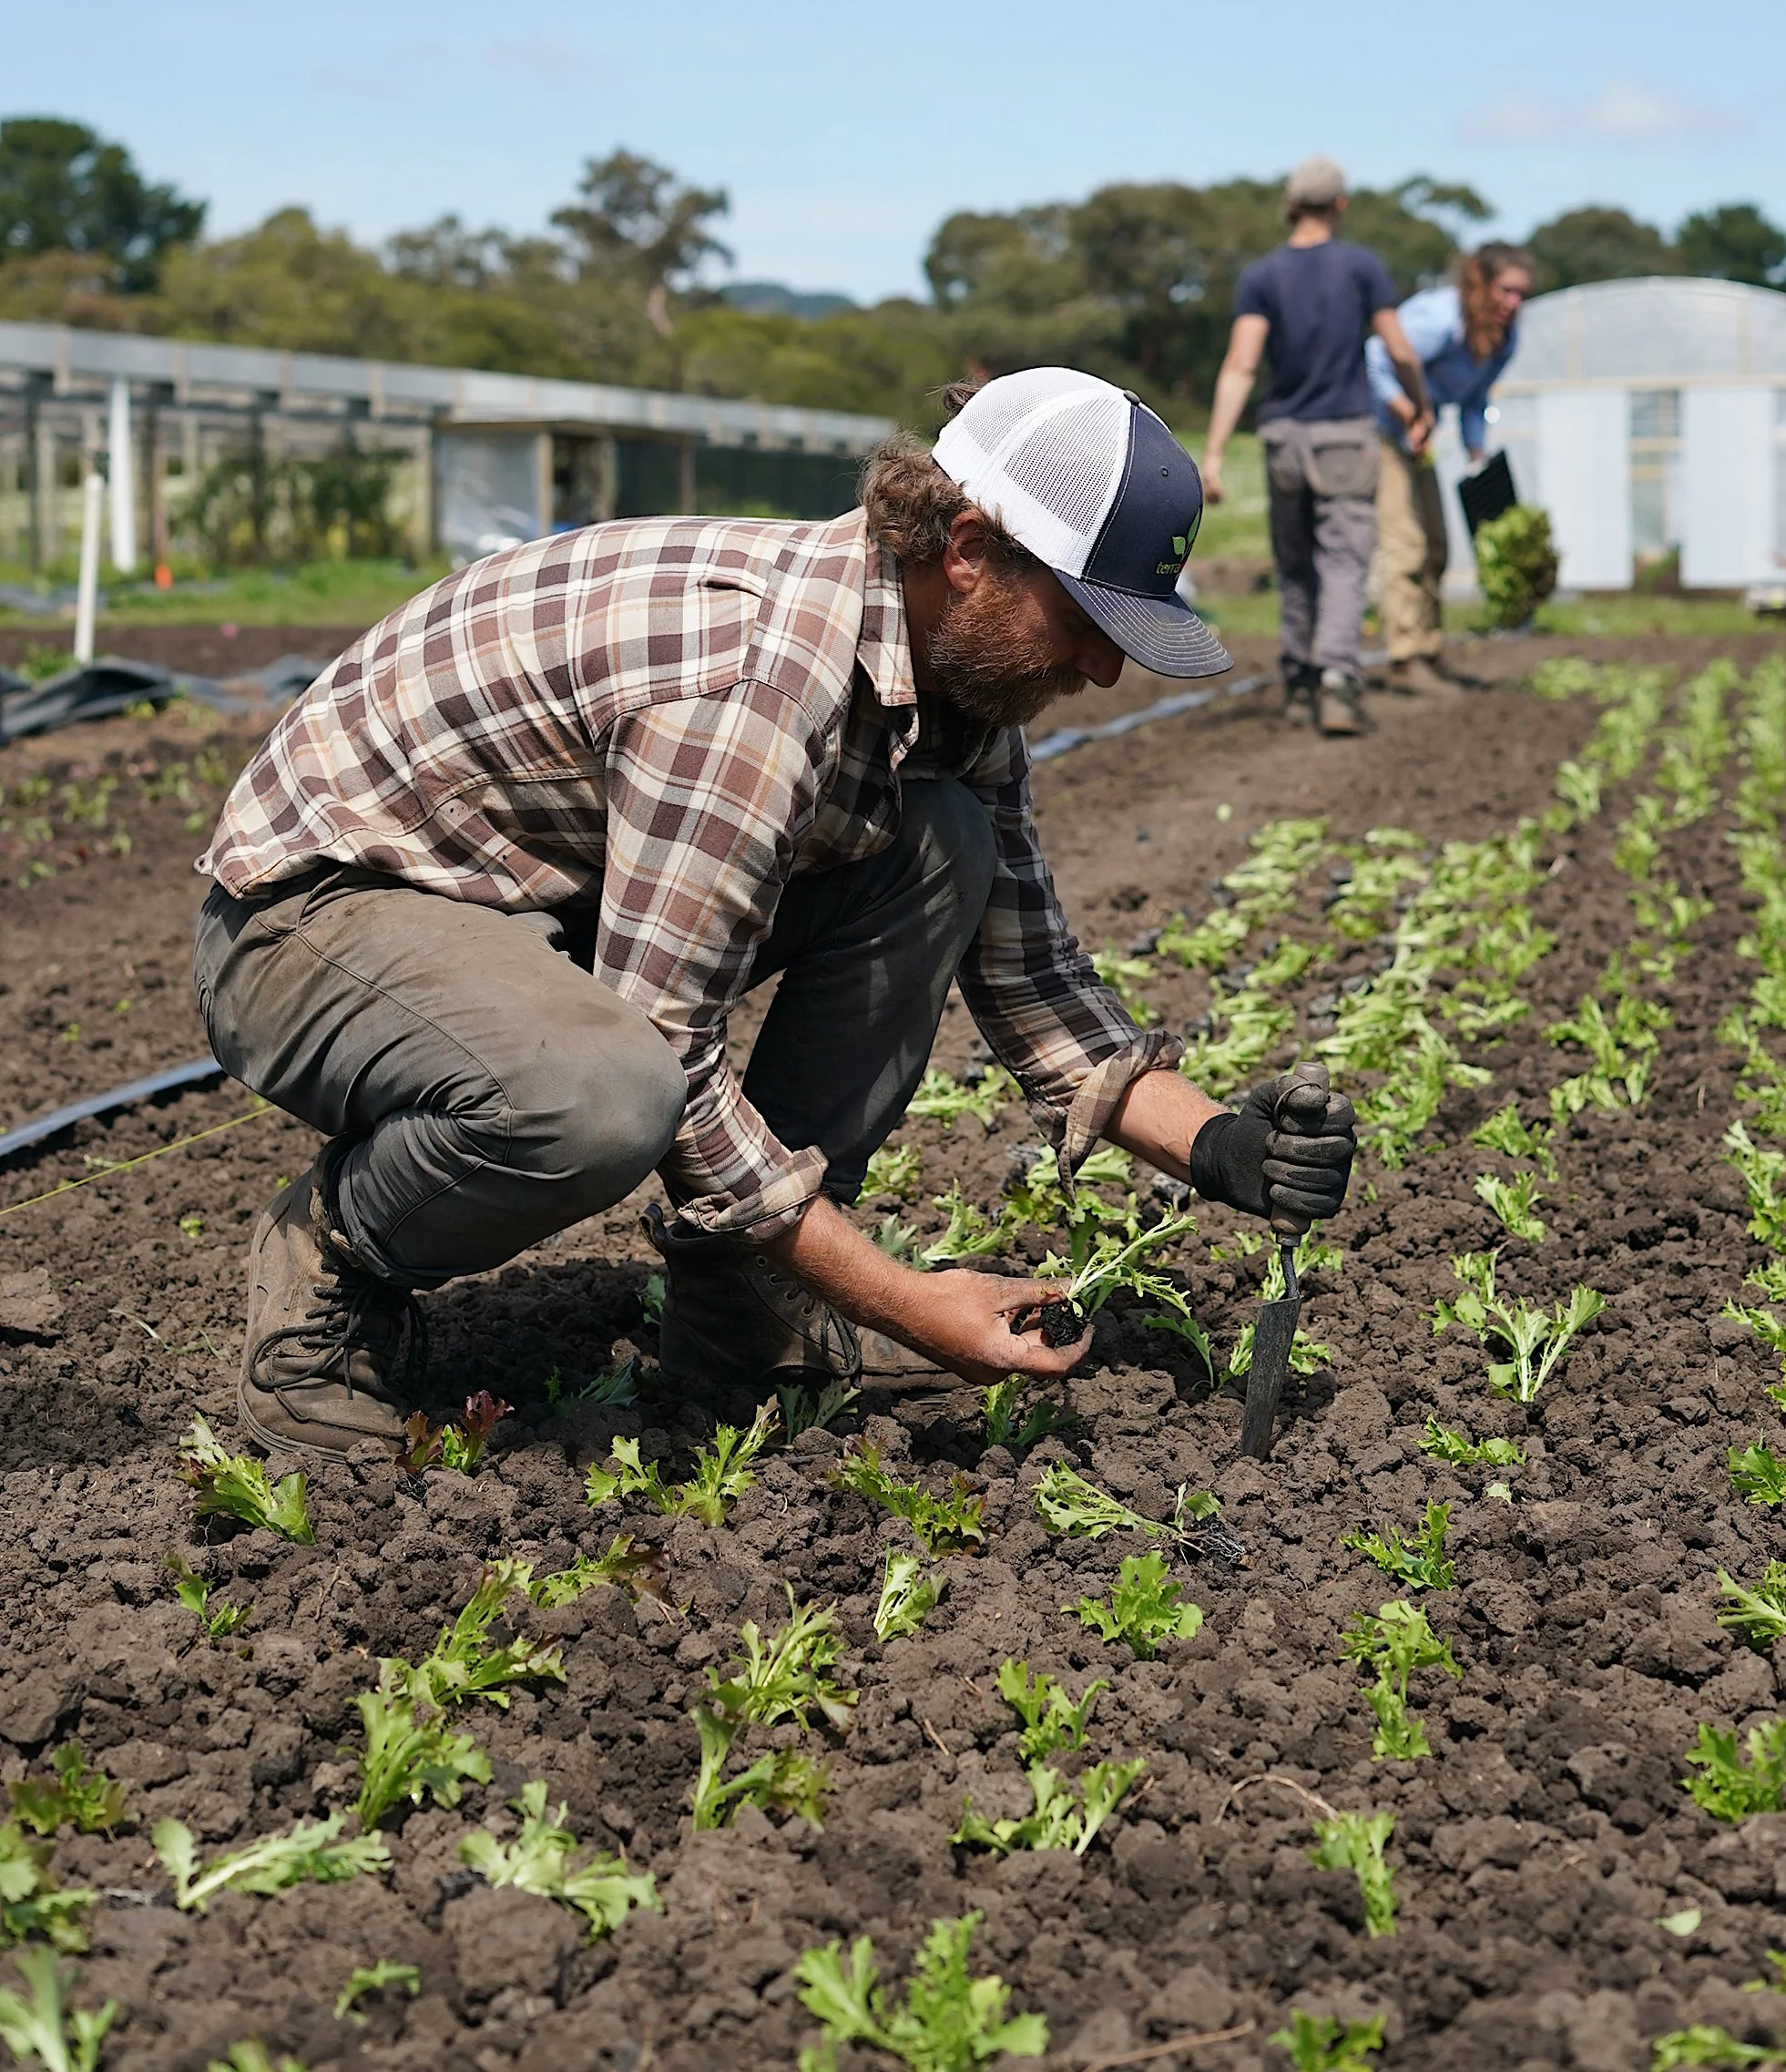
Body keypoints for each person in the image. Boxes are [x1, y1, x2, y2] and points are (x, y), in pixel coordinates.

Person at [194, 367, 1358, 1464]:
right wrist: (910, 1305)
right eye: (1088, 623)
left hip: (533, 900)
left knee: (939, 841)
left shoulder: (950, 677)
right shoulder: (755, 682)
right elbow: (669, 1054)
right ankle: (330, 1266)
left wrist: (1220, 1148)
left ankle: (743, 1305)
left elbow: (1033, 984)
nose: (1104, 674)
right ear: (967, 551)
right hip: (319, 914)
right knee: (602, 1095)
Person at [1201, 157, 1432, 737]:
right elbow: (1399, 349)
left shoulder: (1262, 276)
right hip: (1344, 438)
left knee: (1297, 567)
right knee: (1346, 563)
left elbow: (1241, 365)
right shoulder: (1361, 268)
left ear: (1290, 205)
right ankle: (1337, 682)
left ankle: (1300, 683)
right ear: (1340, 205)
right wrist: (1420, 405)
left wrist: (1215, 453)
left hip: (1283, 439)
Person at [1365, 241, 1532, 692]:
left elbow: (1475, 399)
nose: (1513, 304)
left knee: (1437, 546)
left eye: (1521, 294)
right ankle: (1404, 658)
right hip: (1379, 430)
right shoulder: (1440, 322)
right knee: (1406, 543)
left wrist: (1475, 447)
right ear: (1480, 284)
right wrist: (1406, 409)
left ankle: (1429, 649)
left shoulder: (1503, 338)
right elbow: (1375, 358)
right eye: (1505, 291)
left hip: (1419, 436)